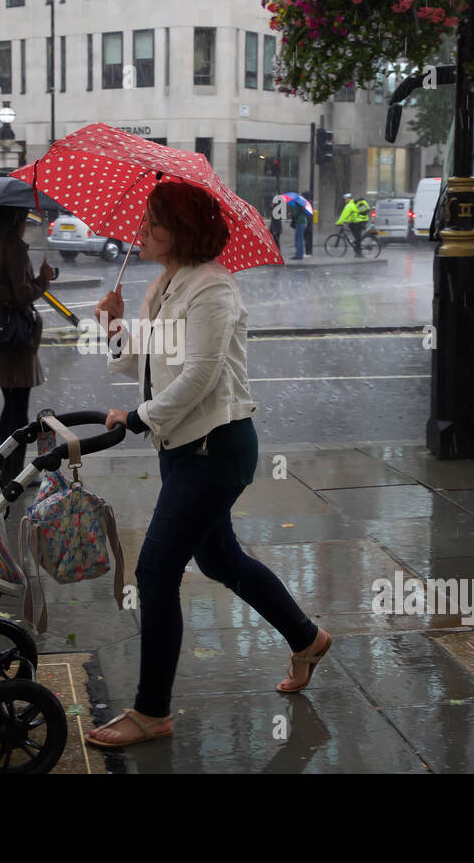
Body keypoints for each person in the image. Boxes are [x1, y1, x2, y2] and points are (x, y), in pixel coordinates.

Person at [85, 181, 331, 749]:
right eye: (142, 222)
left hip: (217, 448)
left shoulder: (213, 289)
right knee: (219, 557)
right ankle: (306, 637)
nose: (140, 232)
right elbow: (138, 364)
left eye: (153, 224)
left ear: (184, 230)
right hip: (183, 446)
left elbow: (199, 375)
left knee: (155, 571)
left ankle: (152, 712)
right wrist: (113, 326)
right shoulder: (164, 285)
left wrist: (139, 418)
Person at [0, 205, 54, 485]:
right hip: (15, 338)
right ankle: (15, 473)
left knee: (10, 405)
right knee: (18, 409)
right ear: (14, 222)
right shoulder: (15, 249)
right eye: (22, 220)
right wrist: (44, 278)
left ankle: (5, 464)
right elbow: (23, 295)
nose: (25, 225)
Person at [338, 192, 369, 257]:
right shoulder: (354, 204)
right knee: (356, 235)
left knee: (357, 237)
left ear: (348, 199)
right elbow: (351, 215)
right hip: (363, 221)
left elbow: (344, 215)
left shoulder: (349, 205)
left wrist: (339, 222)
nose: (345, 201)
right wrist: (347, 221)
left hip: (359, 222)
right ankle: (357, 251)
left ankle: (359, 253)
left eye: (345, 199)